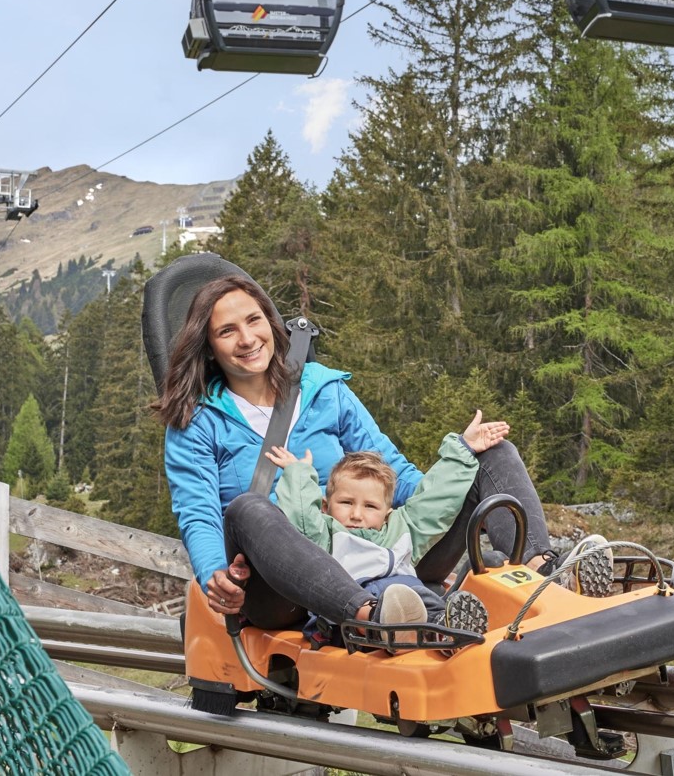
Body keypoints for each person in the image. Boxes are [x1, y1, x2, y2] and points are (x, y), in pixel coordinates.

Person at [157, 274, 566, 640]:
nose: (246, 339)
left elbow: (394, 476)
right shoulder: (196, 419)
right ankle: (373, 616)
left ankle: (541, 576)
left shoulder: (324, 390)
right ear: (209, 347)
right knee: (248, 508)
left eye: (253, 321)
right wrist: (215, 572)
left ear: (271, 324)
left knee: (490, 454)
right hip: (282, 587)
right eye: (227, 331)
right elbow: (199, 512)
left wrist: (460, 460)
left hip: (383, 553)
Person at [264, 410, 507, 640]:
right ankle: (409, 629)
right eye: (347, 503)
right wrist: (298, 472)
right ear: (326, 507)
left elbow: (435, 501)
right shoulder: (325, 535)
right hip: (357, 611)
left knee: (422, 596)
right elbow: (302, 517)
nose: (357, 515)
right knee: (392, 595)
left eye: (370, 507)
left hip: (412, 598)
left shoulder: (399, 531)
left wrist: (462, 450)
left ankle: (441, 630)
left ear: (387, 514)